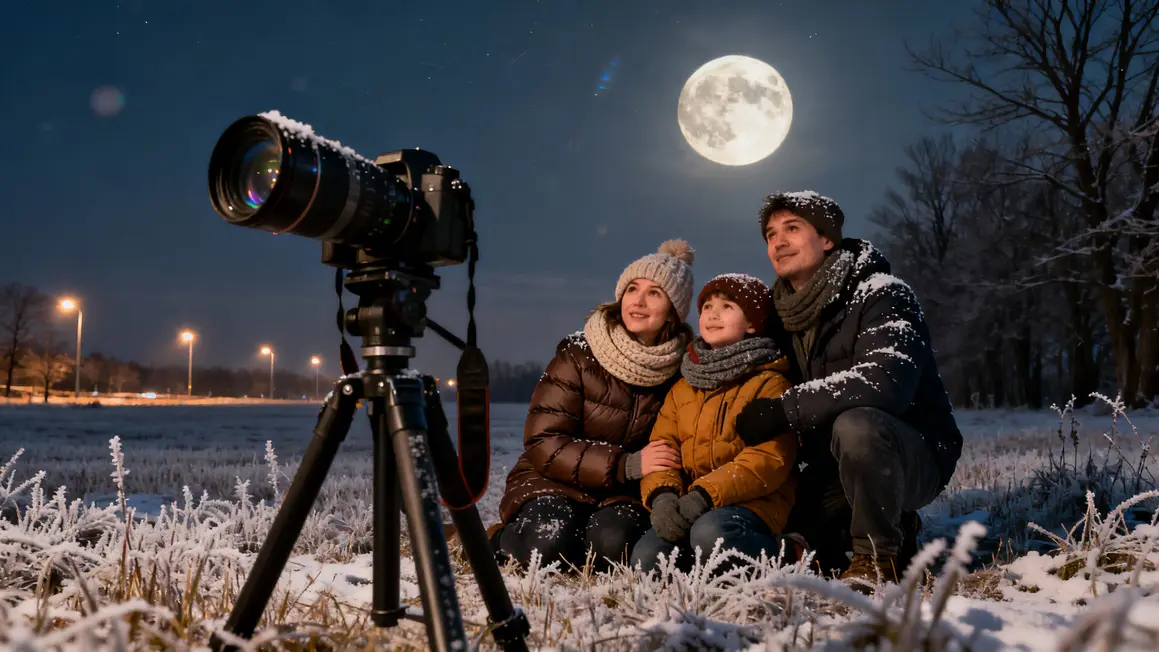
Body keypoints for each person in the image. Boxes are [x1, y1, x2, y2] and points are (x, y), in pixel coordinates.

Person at [734, 190, 963, 592]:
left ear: (827, 239)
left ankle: (877, 558)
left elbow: (885, 381)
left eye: (792, 229)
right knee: (795, 544)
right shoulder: (780, 313)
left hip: (909, 452)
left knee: (858, 425)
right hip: (827, 463)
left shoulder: (883, 294)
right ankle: (871, 530)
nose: (778, 242)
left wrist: (786, 408)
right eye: (770, 235)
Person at [490, 240, 697, 572]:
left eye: (655, 293)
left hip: (623, 493)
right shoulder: (580, 353)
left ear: (675, 309)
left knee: (613, 546)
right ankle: (497, 540)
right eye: (632, 289)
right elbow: (544, 441)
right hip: (552, 480)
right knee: (549, 542)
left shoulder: (682, 368)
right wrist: (625, 464)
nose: (639, 301)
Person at [630, 273, 798, 574]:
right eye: (706, 307)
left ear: (752, 324)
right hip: (688, 505)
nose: (713, 313)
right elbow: (663, 448)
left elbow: (769, 459)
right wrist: (664, 497)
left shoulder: (770, 383)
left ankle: (788, 553)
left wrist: (705, 494)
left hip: (753, 504)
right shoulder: (683, 387)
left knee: (711, 534)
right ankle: (703, 571)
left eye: (727, 306)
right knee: (646, 559)